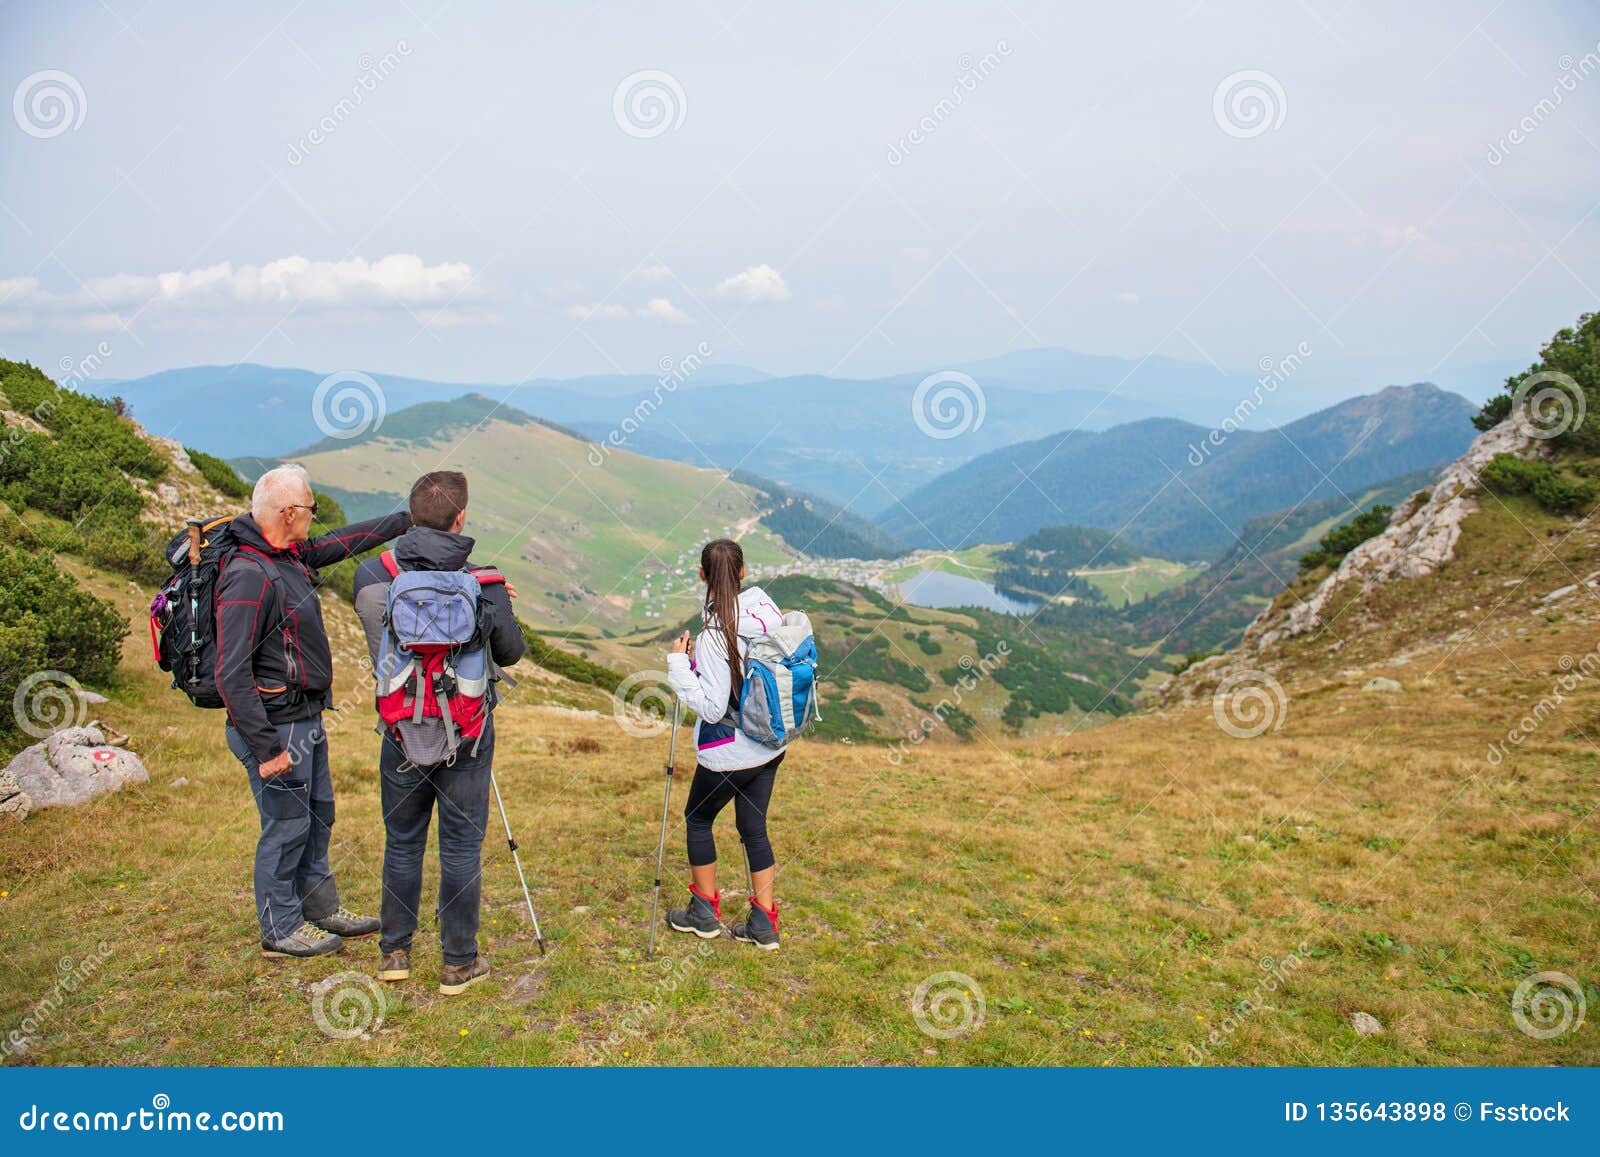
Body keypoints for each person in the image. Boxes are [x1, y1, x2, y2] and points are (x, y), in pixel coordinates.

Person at [215, 464, 411, 958]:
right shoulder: (246, 575)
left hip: (304, 717)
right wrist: (266, 748)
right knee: (286, 824)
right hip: (274, 728)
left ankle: (319, 908)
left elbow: (344, 542)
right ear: (288, 513)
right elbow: (230, 673)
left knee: (319, 814)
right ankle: (279, 929)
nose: (315, 518)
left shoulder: (288, 554)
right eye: (310, 509)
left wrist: (408, 519)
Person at [353, 470, 525, 995]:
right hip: (467, 734)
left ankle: (395, 953)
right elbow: (512, 652)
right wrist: (492, 604)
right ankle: (458, 963)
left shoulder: (370, 576)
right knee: (460, 847)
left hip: (402, 727)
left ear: (411, 518)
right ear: (460, 519)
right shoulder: (484, 583)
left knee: (402, 841)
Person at [663, 538, 786, 950]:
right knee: (753, 828)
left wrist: (680, 663)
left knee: (697, 818)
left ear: (702, 575)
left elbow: (713, 709)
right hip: (770, 744)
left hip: (730, 749)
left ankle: (703, 913)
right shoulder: (765, 610)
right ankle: (764, 923)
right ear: (743, 572)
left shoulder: (717, 634)